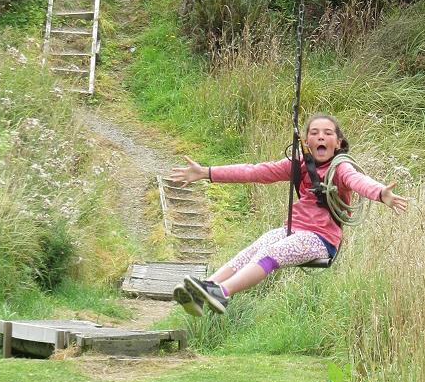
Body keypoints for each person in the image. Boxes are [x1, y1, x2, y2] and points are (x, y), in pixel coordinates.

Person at [168, 115, 408, 316]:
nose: (321, 137)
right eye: (314, 133)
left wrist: (380, 193)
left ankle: (221, 292)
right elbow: (254, 172)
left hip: (321, 238)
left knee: (270, 253)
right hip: (293, 230)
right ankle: (205, 288)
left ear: (338, 143)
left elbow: (358, 181)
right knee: (254, 249)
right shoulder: (299, 165)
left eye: (327, 133)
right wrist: (207, 172)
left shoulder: (342, 168)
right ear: (306, 142)